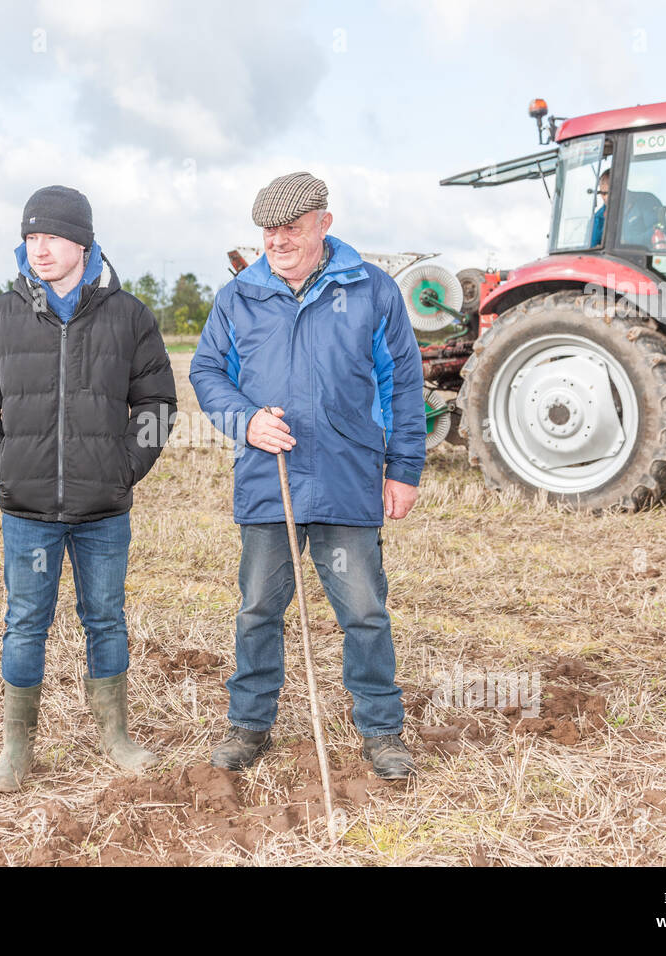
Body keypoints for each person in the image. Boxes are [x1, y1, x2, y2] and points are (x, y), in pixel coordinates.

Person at [189, 171, 426, 780]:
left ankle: (381, 730)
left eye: (291, 228)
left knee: (365, 610)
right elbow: (207, 370)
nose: (277, 240)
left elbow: (402, 384)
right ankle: (249, 724)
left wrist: (403, 468)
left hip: (348, 477)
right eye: (269, 229)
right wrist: (244, 422)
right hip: (270, 480)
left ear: (324, 222)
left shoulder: (371, 291)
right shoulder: (239, 295)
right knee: (258, 608)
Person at [0, 185, 177, 792]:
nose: (40, 248)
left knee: (106, 619)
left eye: (51, 236)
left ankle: (116, 736)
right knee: (26, 622)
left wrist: (124, 466)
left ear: (82, 241)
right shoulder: (1, 313)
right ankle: (16, 750)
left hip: (103, 509)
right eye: (31, 237)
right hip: (26, 509)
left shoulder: (128, 316)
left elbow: (157, 403)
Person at [590, 168, 610, 246]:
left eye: (609, 193)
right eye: (603, 193)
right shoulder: (598, 218)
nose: (605, 198)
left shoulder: (641, 204)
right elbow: (591, 248)